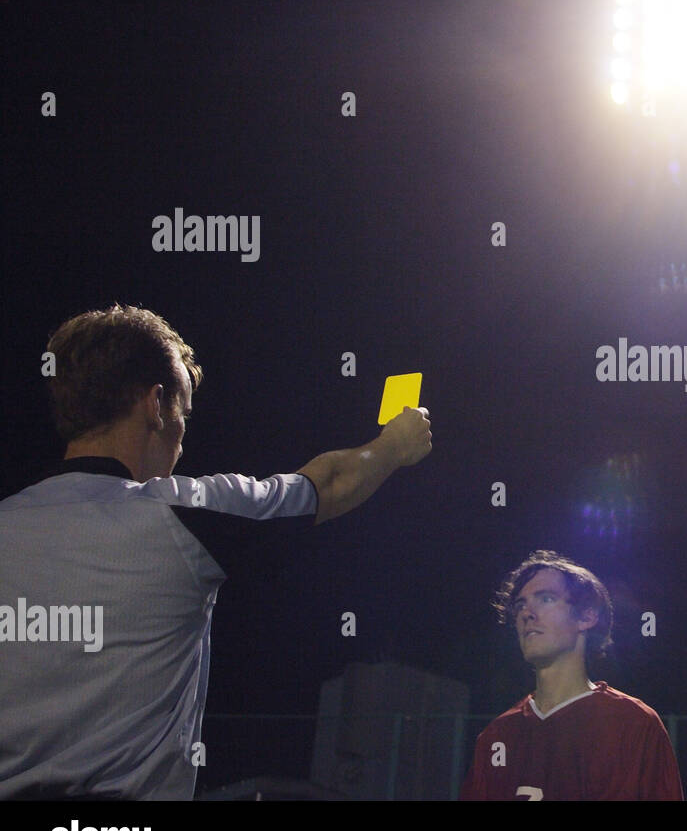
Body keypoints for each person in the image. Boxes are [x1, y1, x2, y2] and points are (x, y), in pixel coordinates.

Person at [0, 304, 432, 799]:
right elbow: (327, 484)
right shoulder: (183, 515)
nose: (181, 440)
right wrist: (394, 446)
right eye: (182, 413)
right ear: (155, 405)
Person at [460, 550, 683, 800]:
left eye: (545, 599)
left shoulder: (635, 723)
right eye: (521, 604)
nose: (527, 613)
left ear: (587, 616)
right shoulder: (497, 735)